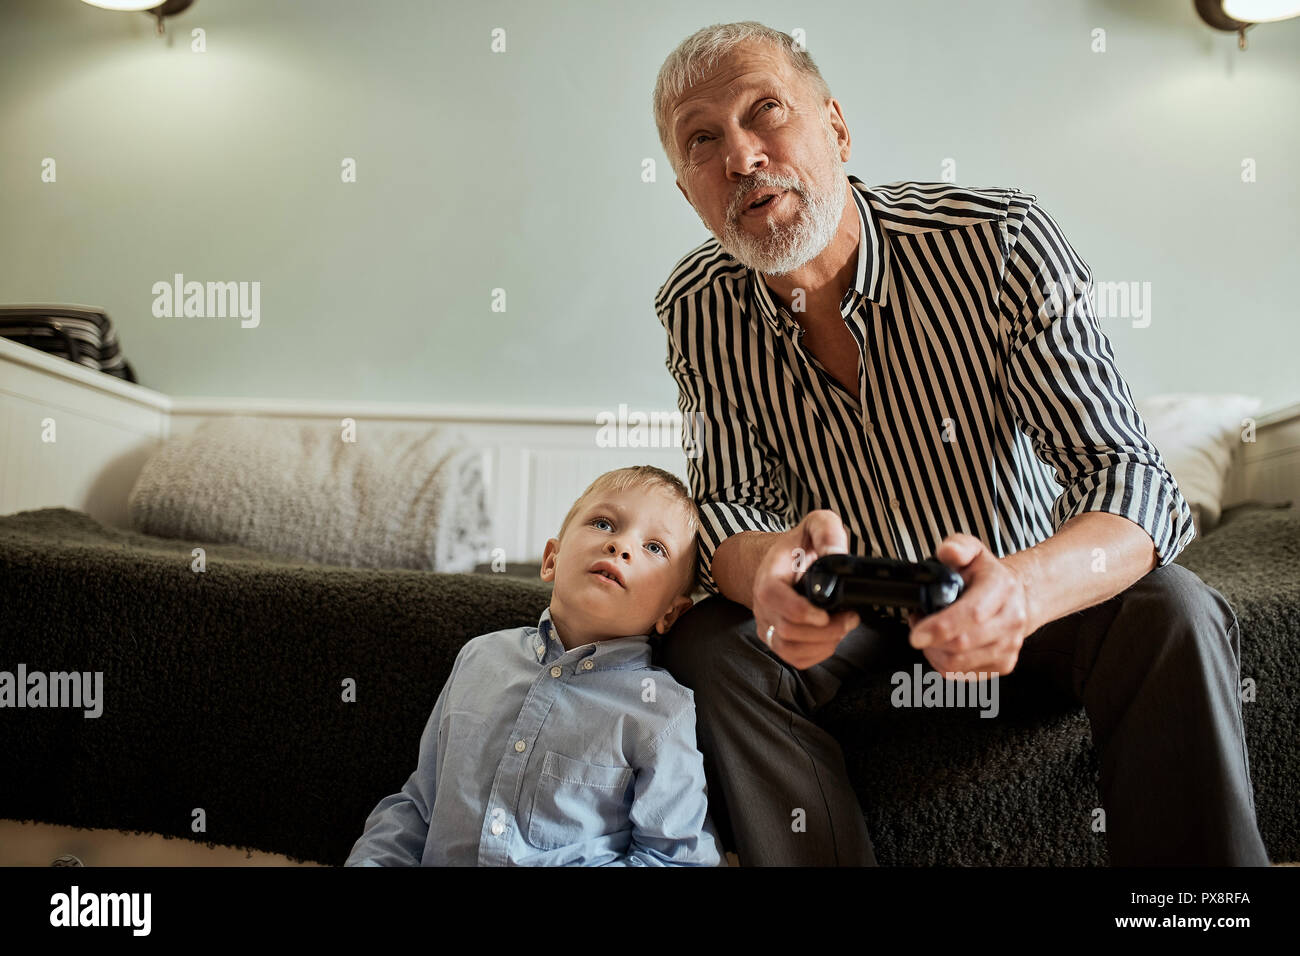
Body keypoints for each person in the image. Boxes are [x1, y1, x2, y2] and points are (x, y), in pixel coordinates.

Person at [649, 21, 1270, 866]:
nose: (744, 156)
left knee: (1174, 609)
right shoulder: (696, 304)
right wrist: (771, 574)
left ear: (835, 126)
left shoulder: (1000, 240)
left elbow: (1129, 477)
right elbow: (726, 502)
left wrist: (1019, 589)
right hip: (848, 612)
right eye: (702, 140)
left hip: (1018, 586)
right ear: (688, 191)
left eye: (766, 111)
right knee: (709, 646)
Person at [344, 465, 721, 866]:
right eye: (603, 523)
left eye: (655, 547)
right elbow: (419, 805)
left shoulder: (661, 711)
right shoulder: (480, 658)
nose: (622, 545)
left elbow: (674, 858)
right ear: (551, 561)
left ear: (672, 614)